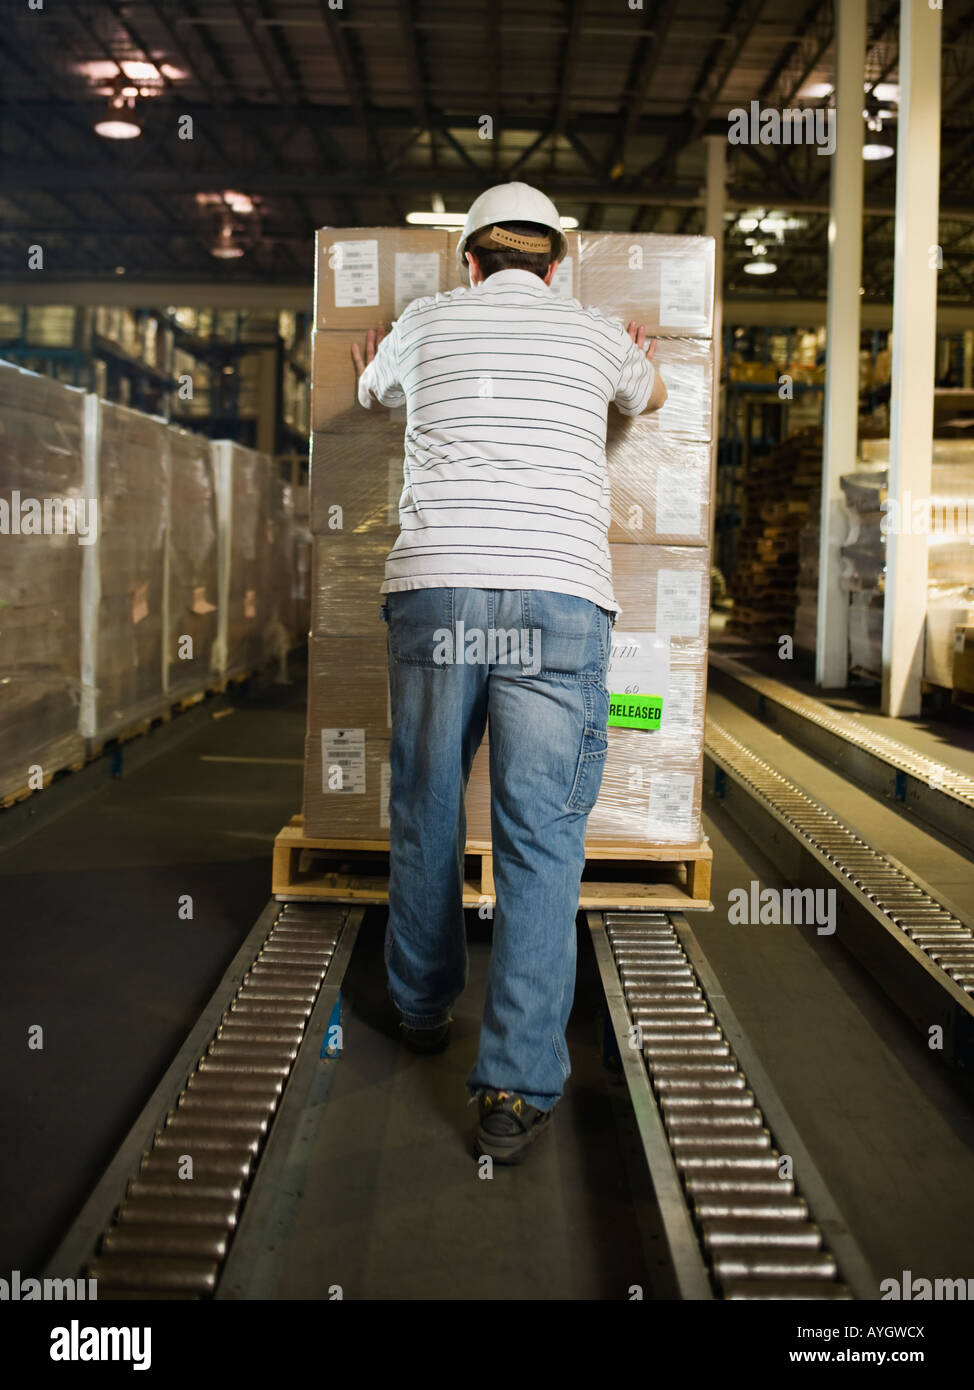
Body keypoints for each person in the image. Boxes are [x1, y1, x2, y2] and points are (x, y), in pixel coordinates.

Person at [351, 182, 667, 1164]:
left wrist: (381, 371)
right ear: (556, 263)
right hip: (557, 601)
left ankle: (418, 1004)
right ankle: (515, 1090)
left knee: (427, 804)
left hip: (438, 591)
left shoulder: (424, 320)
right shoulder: (590, 335)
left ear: (472, 261)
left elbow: (370, 388)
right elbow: (648, 395)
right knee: (540, 836)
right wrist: (634, 359)